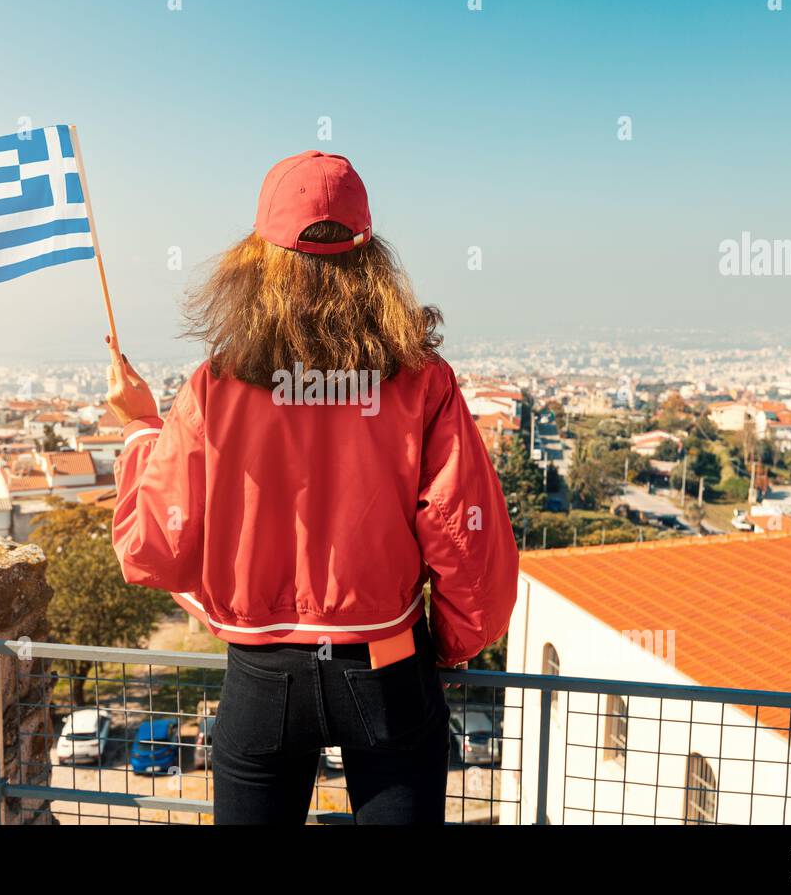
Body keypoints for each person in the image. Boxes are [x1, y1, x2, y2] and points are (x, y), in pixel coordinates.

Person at [104, 150, 519, 825]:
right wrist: (449, 645)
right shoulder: (423, 381)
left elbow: (152, 545)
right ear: (372, 259)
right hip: (388, 665)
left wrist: (140, 428)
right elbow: (462, 535)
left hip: (263, 678)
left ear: (255, 261)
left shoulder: (215, 388)